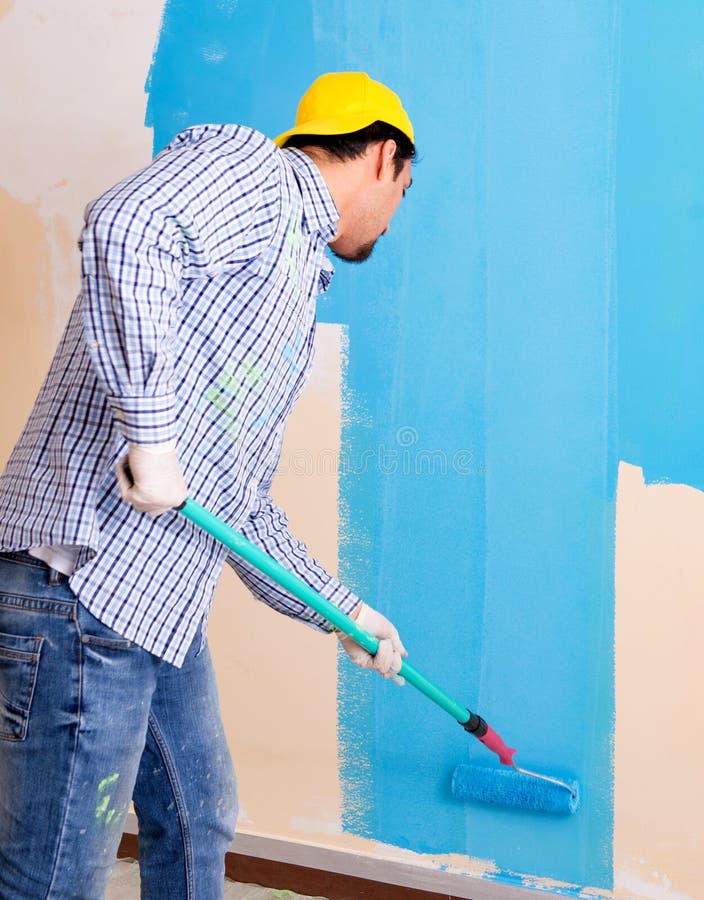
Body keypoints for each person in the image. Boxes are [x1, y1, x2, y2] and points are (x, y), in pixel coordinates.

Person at [0, 71, 415, 898]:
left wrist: (345, 612)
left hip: (152, 607)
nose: (396, 212)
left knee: (200, 811)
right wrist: (151, 437)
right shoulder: (257, 175)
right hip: (82, 590)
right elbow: (126, 225)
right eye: (405, 188)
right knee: (55, 878)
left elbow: (236, 506)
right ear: (380, 156)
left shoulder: (289, 273)